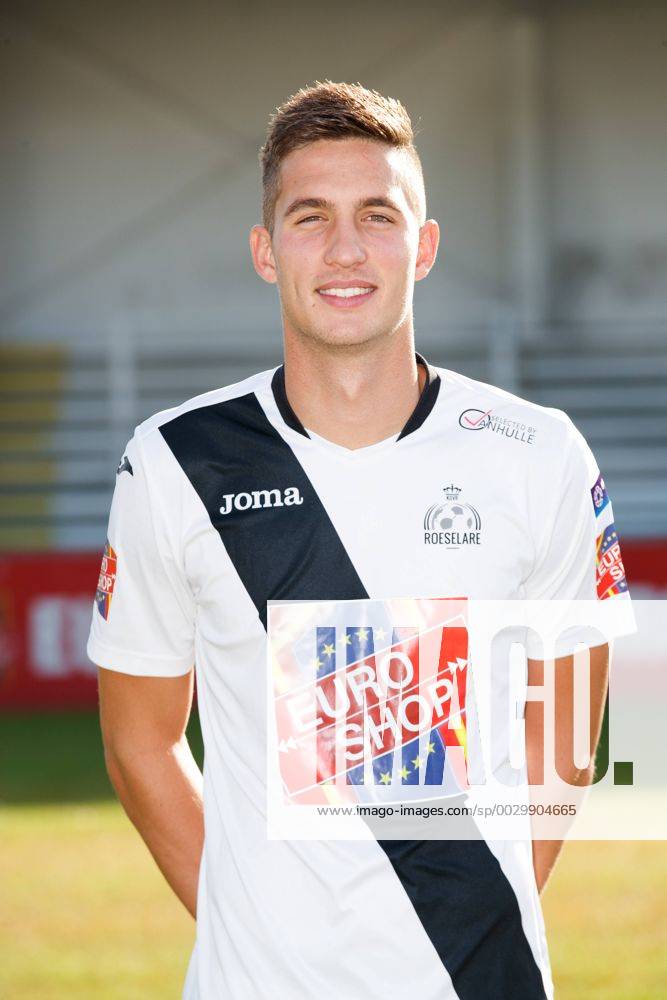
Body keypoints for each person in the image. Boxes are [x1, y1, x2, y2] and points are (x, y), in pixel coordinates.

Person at [87, 81, 631, 999]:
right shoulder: (176, 463)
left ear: (422, 246)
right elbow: (140, 744)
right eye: (310, 218)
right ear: (265, 251)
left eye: (377, 216)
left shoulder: (538, 454)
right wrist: (247, 929)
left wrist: (466, 922)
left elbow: (569, 734)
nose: (345, 250)